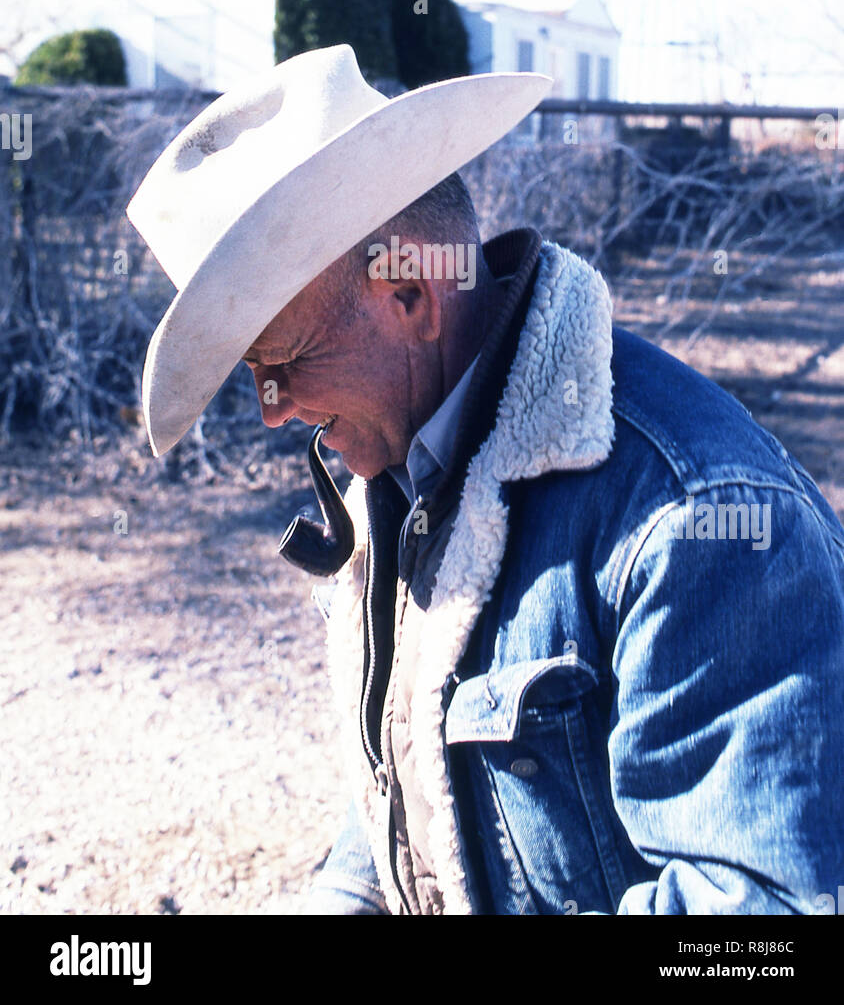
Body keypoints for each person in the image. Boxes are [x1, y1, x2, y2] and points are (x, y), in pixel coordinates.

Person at [127, 44, 844, 916]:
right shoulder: (404, 465)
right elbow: (416, 785)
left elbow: (764, 925)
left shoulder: (696, 526)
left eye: (283, 361)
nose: (272, 409)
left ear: (414, 297)